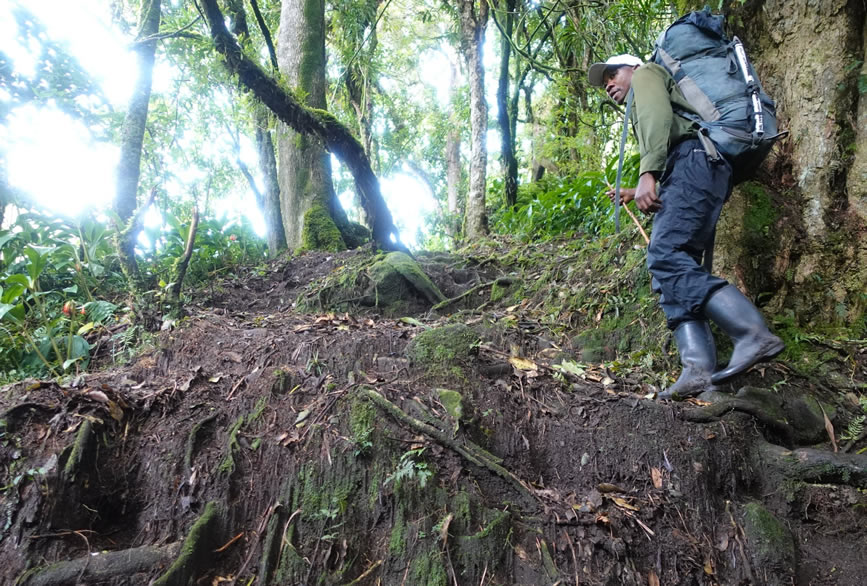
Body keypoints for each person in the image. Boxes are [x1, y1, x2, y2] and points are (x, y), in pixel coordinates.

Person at [587, 54, 784, 399]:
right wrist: (639, 191)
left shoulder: (646, 74)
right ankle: (698, 372)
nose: (608, 85)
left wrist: (647, 173)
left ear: (630, 67)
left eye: (612, 75)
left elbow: (658, 118)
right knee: (671, 269)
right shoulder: (648, 85)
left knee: (664, 253)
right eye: (605, 83)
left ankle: (752, 333)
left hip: (693, 160)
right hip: (696, 167)